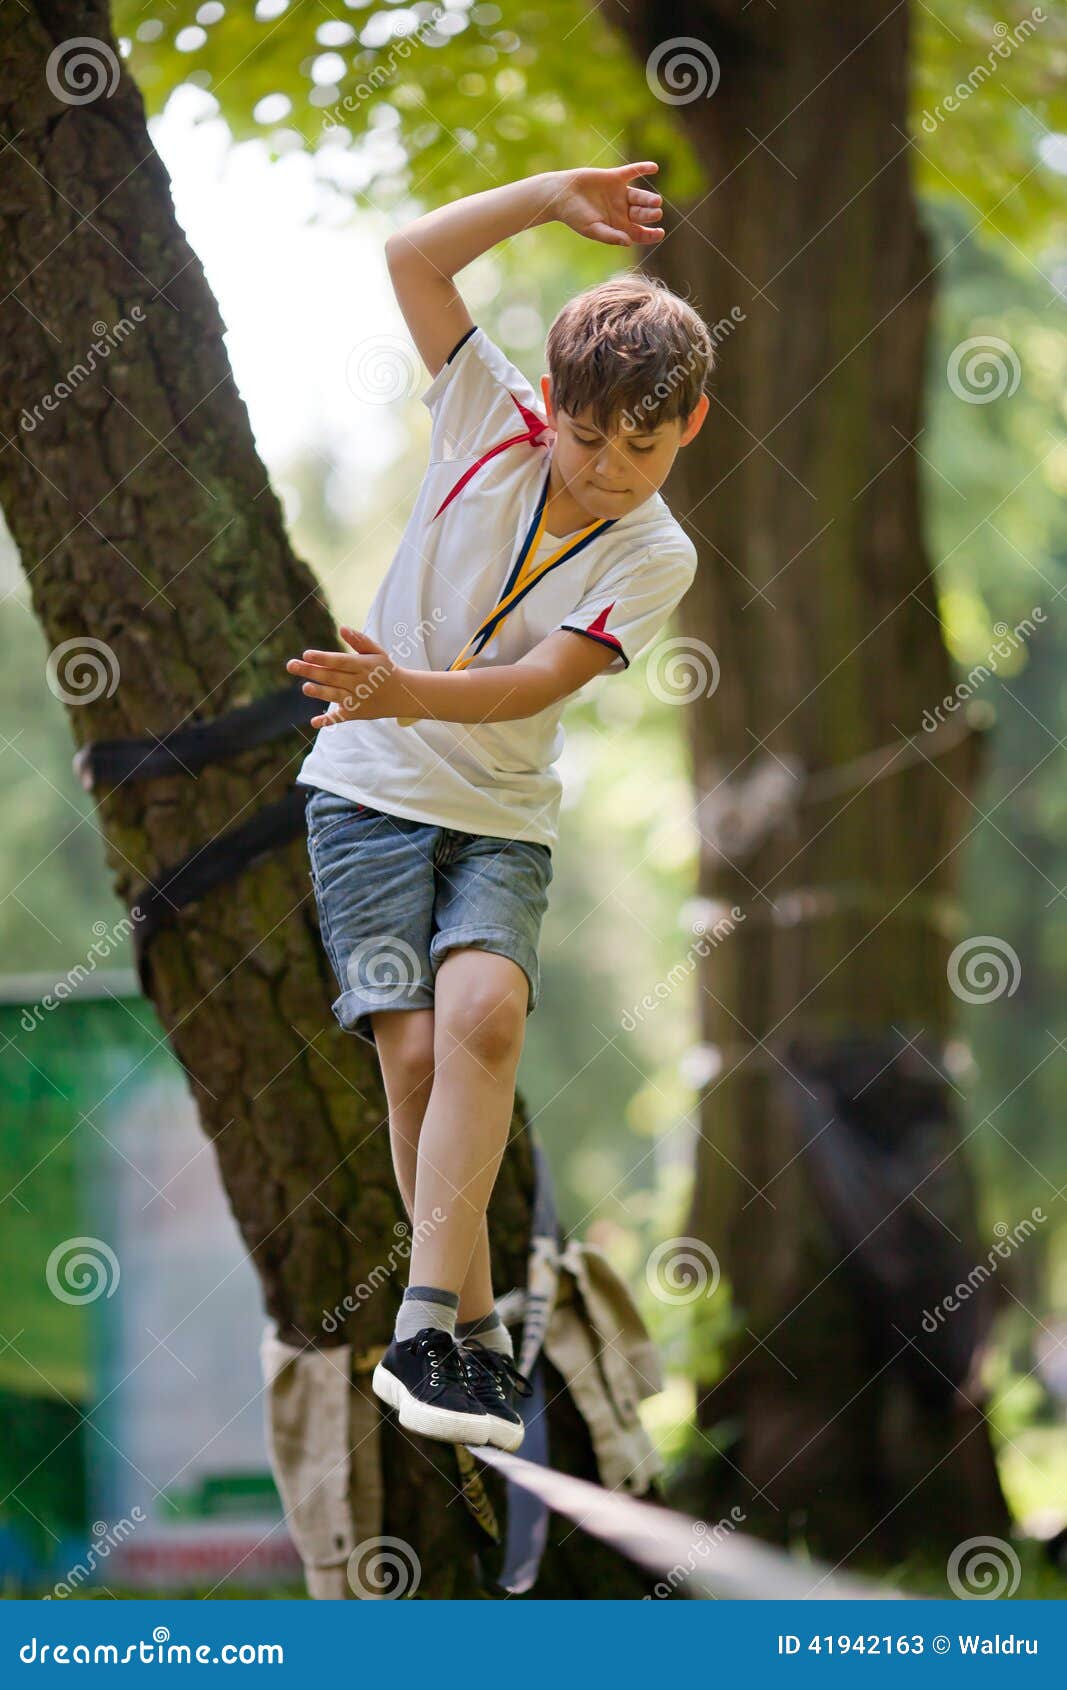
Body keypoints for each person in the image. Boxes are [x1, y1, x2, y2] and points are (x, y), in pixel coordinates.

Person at [287, 162, 714, 1452]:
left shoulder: (656, 552)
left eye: (643, 447)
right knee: (412, 1055)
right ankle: (459, 1333)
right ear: (556, 404)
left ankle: (431, 1324)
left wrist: (401, 687)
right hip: (362, 796)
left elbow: (534, 682)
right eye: (590, 438)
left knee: (483, 1019)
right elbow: (414, 257)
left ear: (689, 426)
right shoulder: (486, 411)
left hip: (500, 814)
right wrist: (550, 199)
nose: (607, 470)